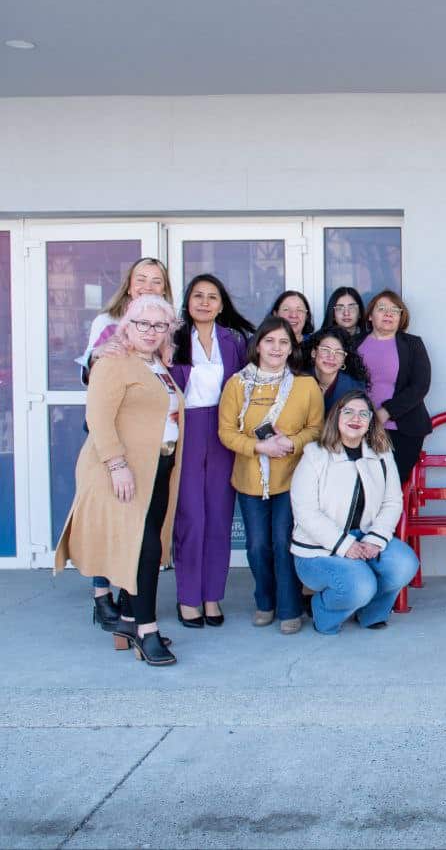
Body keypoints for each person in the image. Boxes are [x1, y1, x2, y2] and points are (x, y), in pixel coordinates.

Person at [56, 295, 184, 666]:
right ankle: (147, 630)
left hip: (157, 467)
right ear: (127, 325)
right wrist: (116, 465)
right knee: (142, 550)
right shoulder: (112, 361)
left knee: (146, 547)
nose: (150, 331)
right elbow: (98, 418)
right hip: (123, 472)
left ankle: (128, 622)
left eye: (159, 325)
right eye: (142, 323)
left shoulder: (158, 364)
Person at [77, 256, 174, 630]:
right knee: (113, 523)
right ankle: (103, 596)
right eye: (142, 279)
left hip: (149, 444)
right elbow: (95, 380)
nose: (149, 285)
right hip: (116, 443)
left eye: (156, 280)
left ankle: (129, 604)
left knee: (138, 535)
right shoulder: (111, 324)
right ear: (129, 285)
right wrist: (99, 354)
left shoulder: (161, 326)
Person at [218, 316, 324, 634]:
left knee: (283, 542)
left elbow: (316, 429)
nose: (276, 348)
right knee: (257, 545)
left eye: (284, 342)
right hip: (251, 478)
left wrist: (291, 443)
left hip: (292, 479)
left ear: (292, 349)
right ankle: (265, 601)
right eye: (270, 341)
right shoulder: (237, 384)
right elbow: (225, 432)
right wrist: (259, 448)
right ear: (258, 345)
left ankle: (290, 607)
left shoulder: (306, 385)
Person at [163, 274, 254, 627]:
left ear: (221, 304)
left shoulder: (233, 341)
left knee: (218, 517)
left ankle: (212, 596)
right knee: (191, 517)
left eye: (212, 296)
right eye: (197, 296)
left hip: (223, 431)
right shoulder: (173, 338)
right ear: (188, 302)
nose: (204, 302)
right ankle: (188, 598)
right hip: (187, 429)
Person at [290, 391, 420, 634]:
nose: (355, 418)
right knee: (361, 585)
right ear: (336, 417)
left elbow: (393, 501)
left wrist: (375, 538)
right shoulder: (315, 455)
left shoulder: (381, 454)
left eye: (363, 413)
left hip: (365, 537)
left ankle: (371, 613)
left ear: (371, 421)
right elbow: (306, 512)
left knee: (404, 564)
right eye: (348, 411)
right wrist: (344, 545)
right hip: (320, 549)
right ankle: (325, 613)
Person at [355, 290, 433, 485]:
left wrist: (386, 412)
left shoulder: (413, 344)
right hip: (358, 427)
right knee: (362, 487)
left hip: (403, 431)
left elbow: (420, 386)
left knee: (391, 487)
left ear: (401, 317)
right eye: (382, 309)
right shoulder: (354, 344)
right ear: (370, 316)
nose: (388, 313)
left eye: (395, 310)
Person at [306, 326, 370, 413]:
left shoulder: (354, 389)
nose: (331, 357)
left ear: (344, 359)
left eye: (339, 352)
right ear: (314, 353)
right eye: (325, 349)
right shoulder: (298, 380)